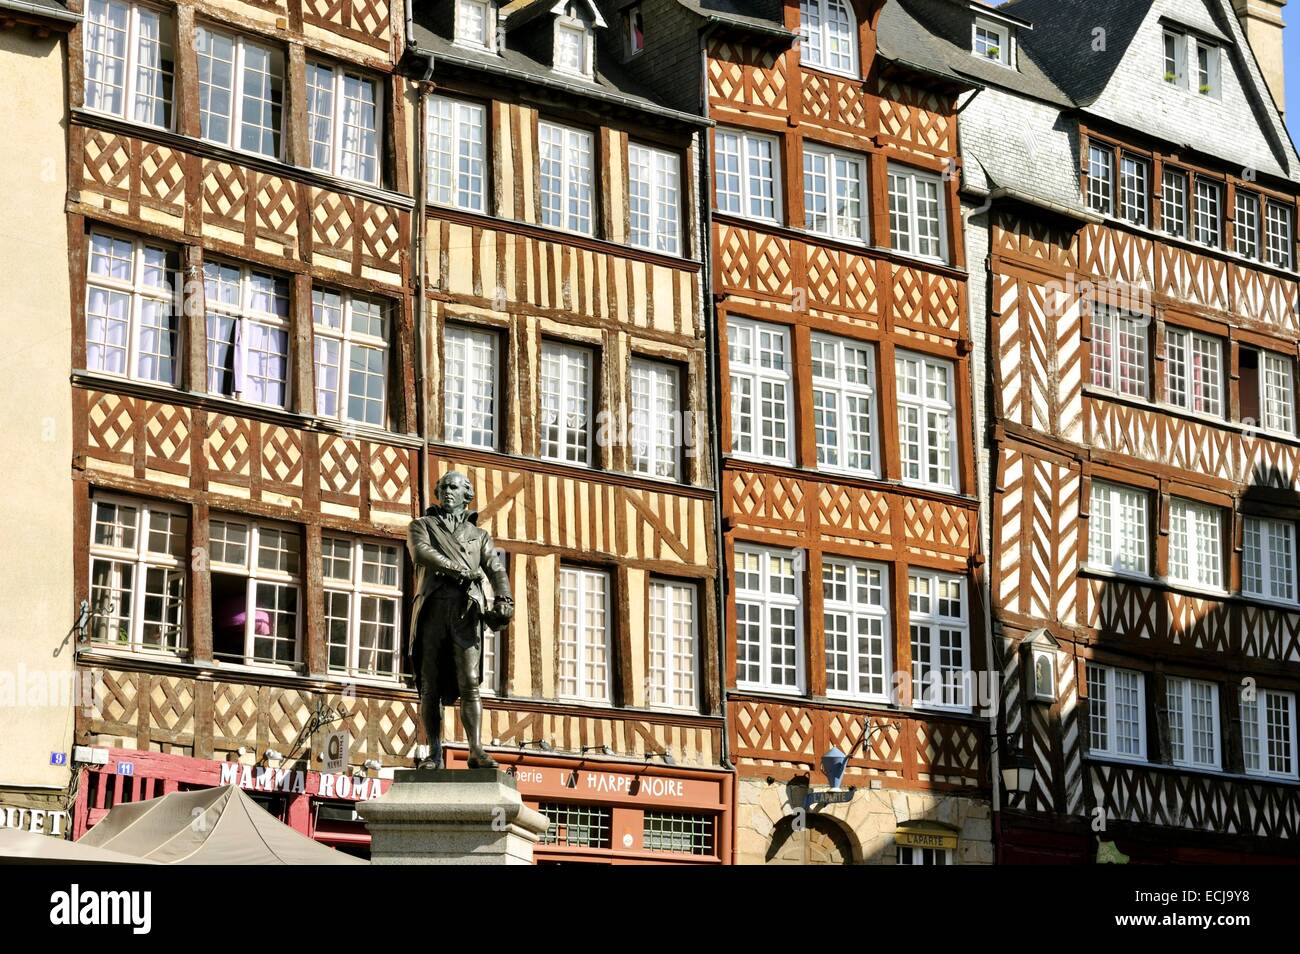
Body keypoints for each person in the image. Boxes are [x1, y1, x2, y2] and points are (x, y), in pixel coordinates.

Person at [407, 471, 513, 769]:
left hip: (466, 612)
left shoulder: (479, 537)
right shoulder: (422, 526)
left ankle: (476, 749)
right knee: (429, 685)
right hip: (431, 611)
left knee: (470, 682)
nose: (447, 492)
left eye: (454, 487)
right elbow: (422, 553)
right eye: (442, 488)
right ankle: (434, 752)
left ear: (467, 495)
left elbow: (496, 569)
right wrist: (459, 569)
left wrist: (504, 599)